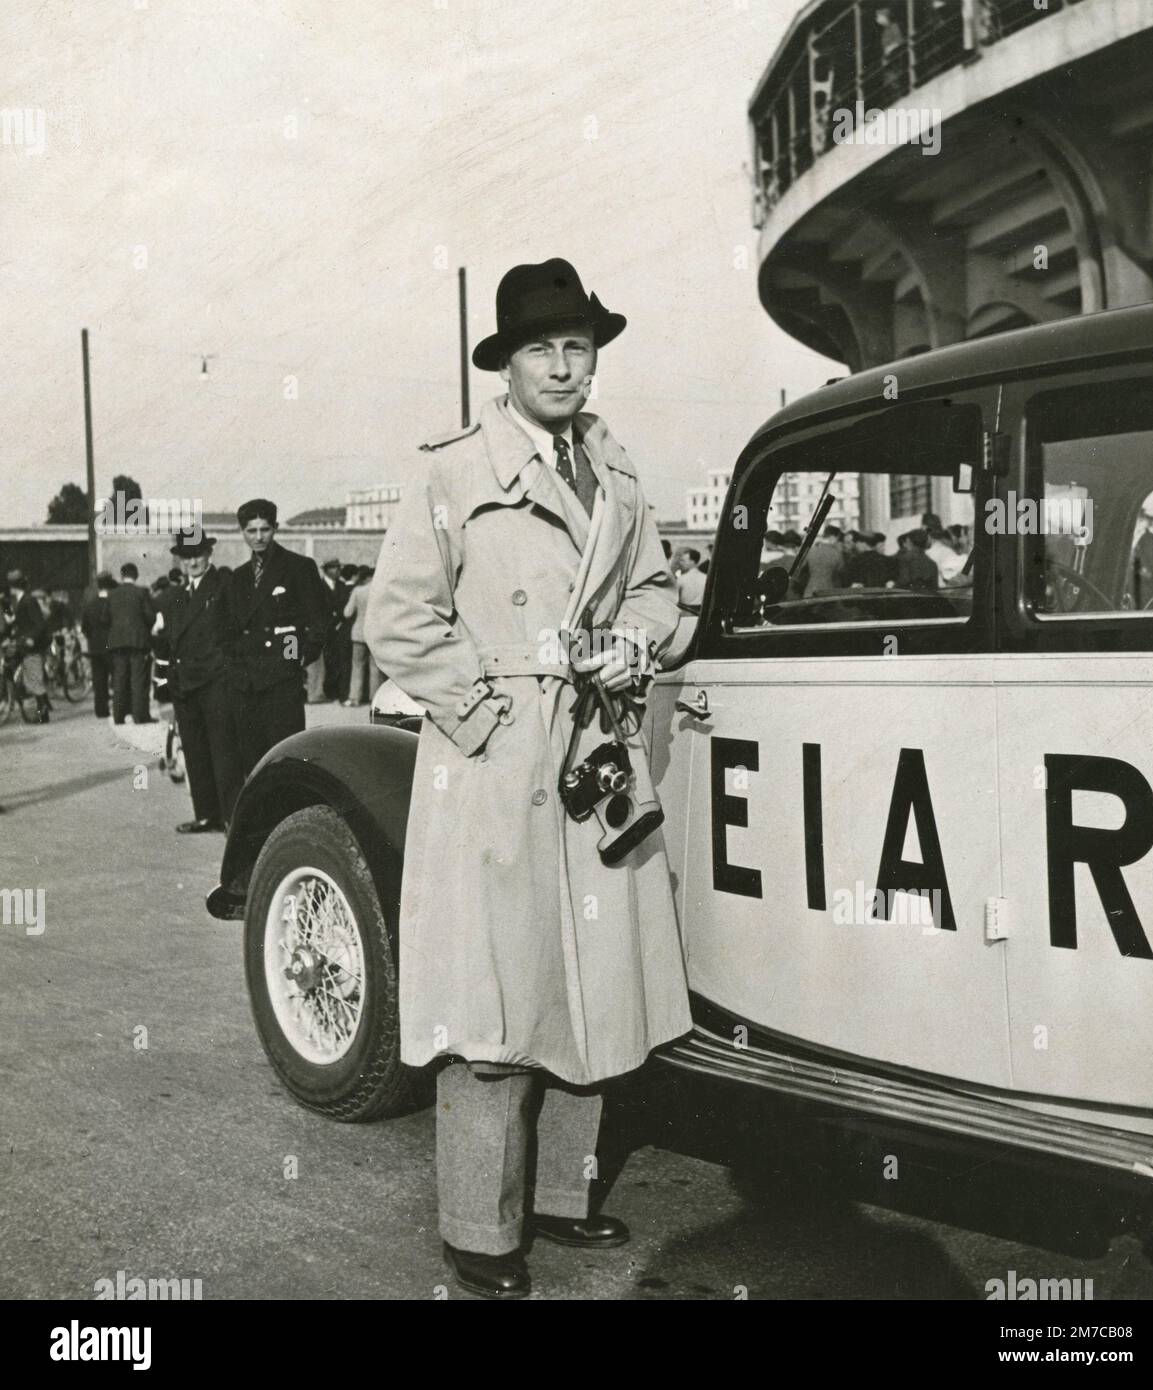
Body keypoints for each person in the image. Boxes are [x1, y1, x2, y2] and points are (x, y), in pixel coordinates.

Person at [366, 256, 691, 1300]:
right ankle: (478, 1228)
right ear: (504, 364)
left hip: (593, 755)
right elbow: (398, 619)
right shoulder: (452, 471)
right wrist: (479, 709)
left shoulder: (618, 470)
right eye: (541, 348)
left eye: (579, 347)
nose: (563, 365)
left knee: (592, 984)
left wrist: (634, 649)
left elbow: (652, 589)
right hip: (496, 762)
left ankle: (562, 1195)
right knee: (493, 999)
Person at [223, 498, 330, 773]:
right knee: (252, 762)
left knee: (285, 759)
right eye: (251, 531)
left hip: (281, 684)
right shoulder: (238, 577)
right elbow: (230, 629)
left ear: (275, 528)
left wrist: (293, 658)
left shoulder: (298, 567)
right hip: (246, 685)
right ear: (242, 533)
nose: (258, 537)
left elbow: (316, 621)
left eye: (265, 529)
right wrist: (234, 668)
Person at [160, 532, 243, 833]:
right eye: (186, 556)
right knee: (195, 752)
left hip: (214, 683)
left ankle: (232, 817)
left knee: (224, 753)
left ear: (209, 554)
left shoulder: (222, 585)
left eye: (198, 554)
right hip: (185, 684)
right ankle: (207, 813)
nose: (192, 561)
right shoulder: (180, 594)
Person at [107, 562, 155, 724]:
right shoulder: (142, 592)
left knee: (119, 679)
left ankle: (118, 716)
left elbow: (105, 618)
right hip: (138, 641)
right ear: (136, 575)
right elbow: (150, 617)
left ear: (122, 576)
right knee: (138, 679)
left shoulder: (112, 594)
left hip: (117, 642)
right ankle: (140, 716)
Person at [4, 570, 51, 723]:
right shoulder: (21, 600)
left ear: (13, 586)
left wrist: (30, 638)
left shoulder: (28, 600)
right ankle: (19, 700)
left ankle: (42, 715)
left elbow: (39, 624)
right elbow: (17, 622)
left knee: (35, 681)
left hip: (31, 646)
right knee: (28, 677)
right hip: (24, 645)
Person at [342, 565, 382, 706]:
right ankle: (375, 699)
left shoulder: (358, 591)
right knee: (375, 668)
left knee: (357, 666)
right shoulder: (380, 591)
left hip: (359, 632)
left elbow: (347, 612)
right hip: (376, 633)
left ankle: (354, 698)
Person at [81, 573, 115, 718]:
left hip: (95, 648)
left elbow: (85, 627)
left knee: (99, 680)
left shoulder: (90, 604)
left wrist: (93, 639)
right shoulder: (114, 602)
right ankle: (120, 708)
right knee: (117, 678)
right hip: (113, 646)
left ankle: (101, 711)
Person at [319, 558, 351, 702]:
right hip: (326, 630)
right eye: (334, 568)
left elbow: (345, 606)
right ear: (326, 570)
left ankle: (339, 691)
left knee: (340, 660)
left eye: (338, 568)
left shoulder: (342, 586)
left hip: (340, 629)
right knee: (328, 660)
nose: (338, 571)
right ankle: (329, 691)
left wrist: (338, 619)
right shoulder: (318, 586)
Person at [803, 523, 847, 594]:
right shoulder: (837, 554)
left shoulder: (810, 551)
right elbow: (841, 573)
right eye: (837, 539)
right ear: (832, 537)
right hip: (828, 592)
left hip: (810, 591)